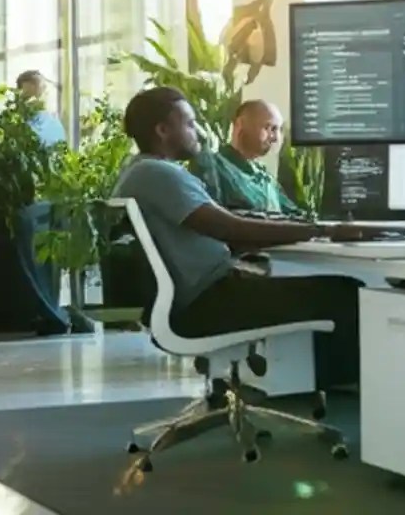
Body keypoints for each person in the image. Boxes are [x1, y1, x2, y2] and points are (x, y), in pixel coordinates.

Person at [112, 86, 378, 388]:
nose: (197, 131)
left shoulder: (143, 172)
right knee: (347, 293)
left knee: (322, 287)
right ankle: (349, 396)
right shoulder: (157, 174)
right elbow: (228, 229)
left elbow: (225, 222)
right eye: (188, 123)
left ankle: (324, 389)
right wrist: (324, 230)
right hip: (207, 301)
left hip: (199, 297)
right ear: (162, 130)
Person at [190, 99, 305, 217]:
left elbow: (295, 215)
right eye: (270, 128)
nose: (276, 138)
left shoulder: (265, 179)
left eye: (279, 130)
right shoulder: (213, 167)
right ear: (240, 124)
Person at [16, 69, 67, 145]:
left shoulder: (54, 125)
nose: (34, 101)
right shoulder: (16, 126)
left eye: (38, 96)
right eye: (28, 98)